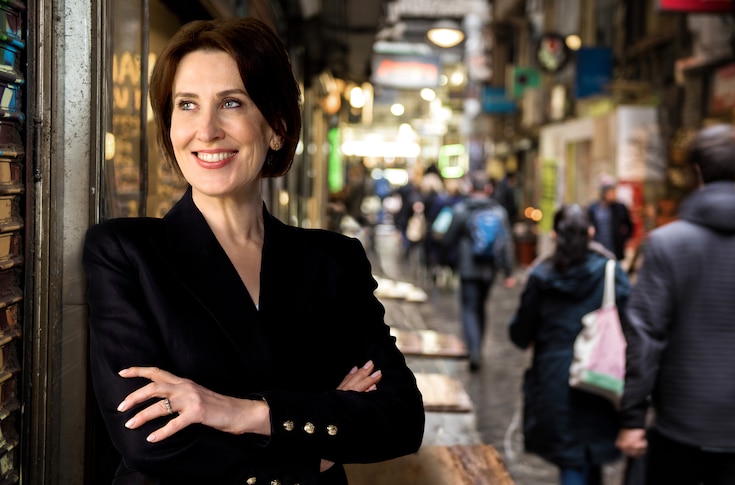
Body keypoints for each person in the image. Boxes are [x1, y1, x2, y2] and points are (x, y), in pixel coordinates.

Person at [83, 18, 425, 484]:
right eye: (186, 105)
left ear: (277, 127)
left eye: (231, 103)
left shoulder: (334, 261)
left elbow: (400, 418)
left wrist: (238, 412)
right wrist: (313, 450)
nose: (206, 130)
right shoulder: (126, 253)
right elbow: (148, 439)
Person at [615, 124, 735, 485]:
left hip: (680, 419)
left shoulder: (666, 244)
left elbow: (645, 336)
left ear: (697, 172)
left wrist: (633, 417)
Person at [509, 204, 631, 485]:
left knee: (571, 461)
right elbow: (630, 326)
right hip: (601, 375)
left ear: (554, 236)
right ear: (591, 232)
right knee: (591, 456)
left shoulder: (540, 276)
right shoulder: (610, 272)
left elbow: (519, 334)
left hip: (555, 378)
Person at [440, 172, 516, 371]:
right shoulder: (499, 212)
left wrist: (442, 260)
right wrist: (508, 272)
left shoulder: (461, 209)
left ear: (470, 187)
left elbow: (448, 238)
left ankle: (473, 351)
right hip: (489, 268)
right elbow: (507, 242)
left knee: (469, 308)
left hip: (468, 267)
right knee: (481, 307)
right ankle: (477, 347)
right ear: (488, 189)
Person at [587, 177, 633, 261]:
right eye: (611, 191)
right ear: (604, 193)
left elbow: (629, 226)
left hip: (615, 249)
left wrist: (623, 238)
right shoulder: (593, 208)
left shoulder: (620, 207)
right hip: (597, 249)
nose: (614, 194)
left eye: (614, 191)